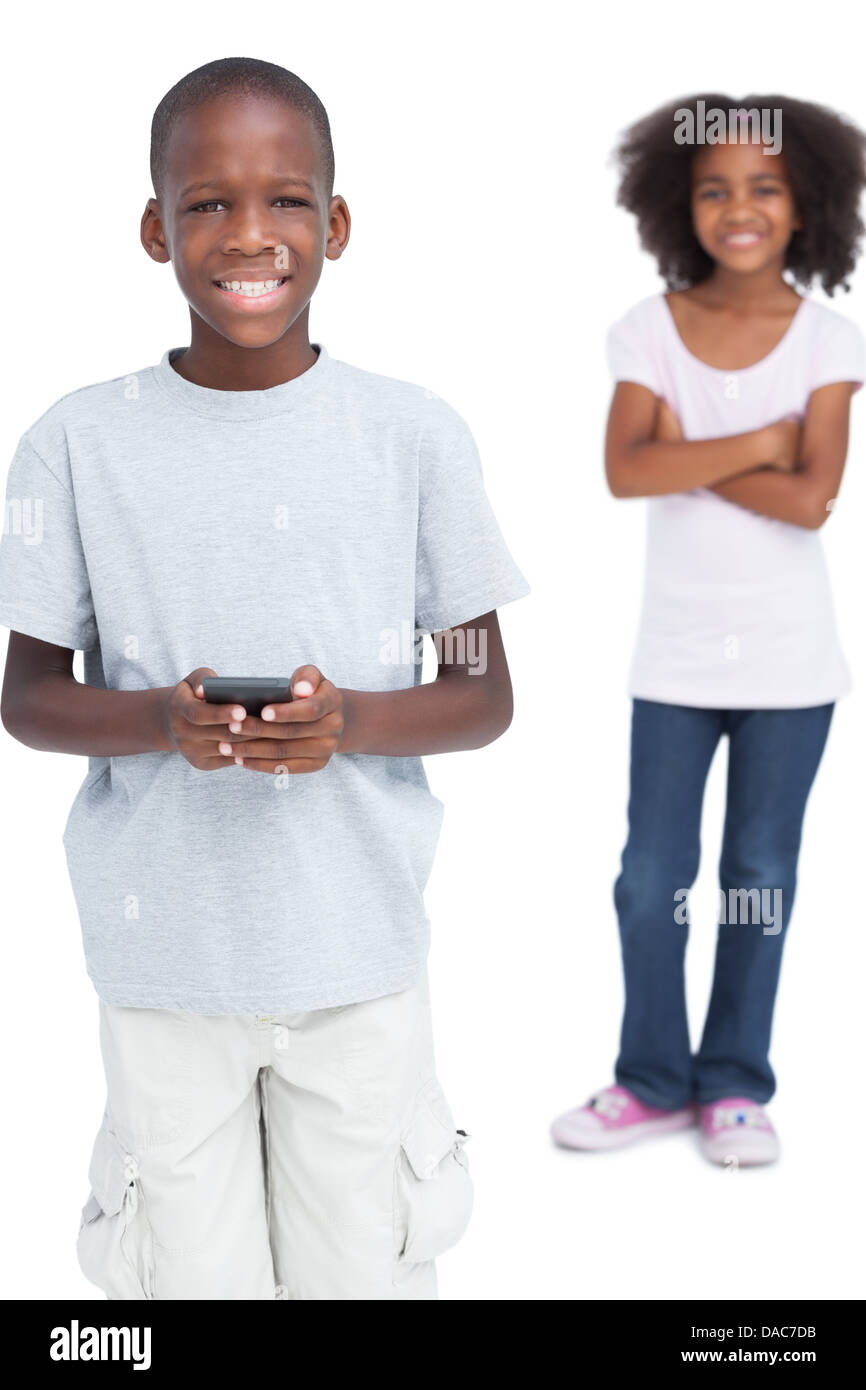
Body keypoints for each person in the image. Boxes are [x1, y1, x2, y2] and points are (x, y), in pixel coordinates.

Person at [0, 57, 529, 1298]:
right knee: (188, 1280)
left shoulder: (412, 435)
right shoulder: (76, 440)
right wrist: (155, 722)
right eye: (206, 203)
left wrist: (346, 723)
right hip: (166, 967)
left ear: (334, 225)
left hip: (356, 958)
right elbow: (26, 691)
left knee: (362, 1272)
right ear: (154, 227)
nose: (249, 235)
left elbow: (483, 689)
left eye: (286, 201)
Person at [551, 94, 866, 1166]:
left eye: (764, 187)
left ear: (803, 204)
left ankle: (733, 1082)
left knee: (757, 878)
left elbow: (815, 498)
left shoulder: (829, 339)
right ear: (676, 204)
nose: (738, 206)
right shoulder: (644, 330)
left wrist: (700, 445)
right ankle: (649, 1078)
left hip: (791, 666)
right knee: (649, 878)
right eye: (713, 187)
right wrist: (762, 440)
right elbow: (621, 470)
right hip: (672, 663)